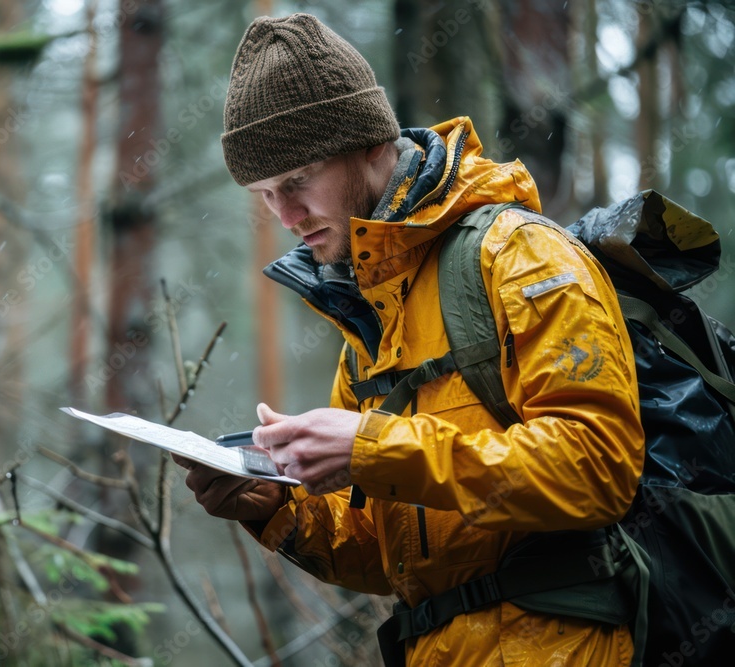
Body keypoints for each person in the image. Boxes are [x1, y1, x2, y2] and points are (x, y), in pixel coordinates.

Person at [177, 12, 644, 666]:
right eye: (265, 194)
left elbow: (599, 468)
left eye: (298, 181)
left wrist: (376, 448)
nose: (284, 217)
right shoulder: (370, 319)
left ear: (371, 145)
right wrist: (273, 508)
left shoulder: (522, 256)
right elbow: (384, 554)